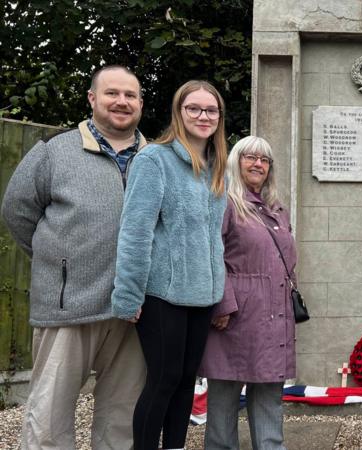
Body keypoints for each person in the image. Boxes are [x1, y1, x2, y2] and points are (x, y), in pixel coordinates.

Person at [1, 65, 146, 449]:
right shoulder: (54, 153)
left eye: (130, 95)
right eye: (112, 93)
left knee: (124, 415)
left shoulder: (156, 159)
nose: (122, 102)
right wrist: (58, 261)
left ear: (141, 104)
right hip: (69, 304)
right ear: (92, 98)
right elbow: (17, 211)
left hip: (135, 310)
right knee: (49, 415)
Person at [111, 80, 228, 450]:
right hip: (162, 295)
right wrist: (128, 295)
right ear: (179, 113)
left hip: (202, 297)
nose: (203, 116)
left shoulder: (216, 168)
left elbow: (214, 238)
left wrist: (219, 291)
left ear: (219, 118)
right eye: (193, 108)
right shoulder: (154, 160)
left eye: (211, 110)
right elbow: (135, 231)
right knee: (163, 380)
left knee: (185, 380)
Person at [198, 135, 297, 450]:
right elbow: (212, 254)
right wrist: (222, 306)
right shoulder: (224, 201)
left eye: (265, 160)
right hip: (234, 318)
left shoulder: (277, 210)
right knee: (224, 399)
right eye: (251, 157)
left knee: (269, 395)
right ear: (236, 161)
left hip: (274, 317)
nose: (258, 164)